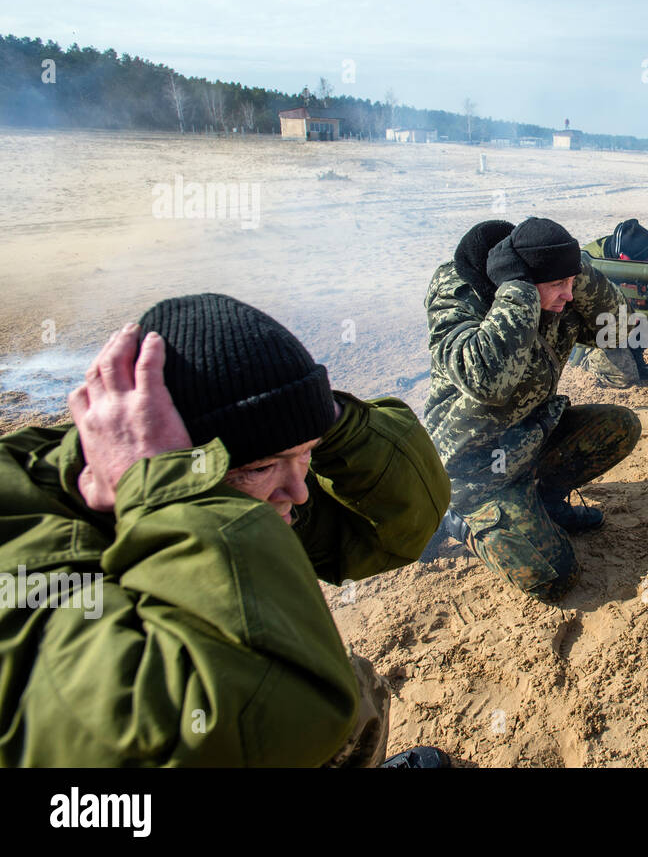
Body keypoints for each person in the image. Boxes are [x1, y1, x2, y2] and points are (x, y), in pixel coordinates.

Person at [0, 294, 451, 767]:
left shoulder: (234, 483)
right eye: (262, 467)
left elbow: (390, 532)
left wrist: (320, 419)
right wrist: (165, 493)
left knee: (353, 700)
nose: (298, 493)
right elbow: (188, 730)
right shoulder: (27, 539)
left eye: (306, 455)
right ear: (184, 462)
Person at [423, 217, 641, 604]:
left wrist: (573, 271)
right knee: (554, 577)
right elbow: (488, 380)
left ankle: (545, 500)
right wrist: (520, 294)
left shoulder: (560, 293)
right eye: (558, 285)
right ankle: (457, 519)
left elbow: (618, 329)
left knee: (619, 426)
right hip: (473, 469)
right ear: (516, 283)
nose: (568, 296)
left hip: (529, 437)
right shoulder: (458, 298)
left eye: (571, 283)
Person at [569, 218, 648, 389]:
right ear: (623, 258)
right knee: (624, 377)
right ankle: (586, 359)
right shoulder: (589, 263)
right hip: (597, 331)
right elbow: (577, 310)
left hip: (628, 320)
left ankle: (634, 351)